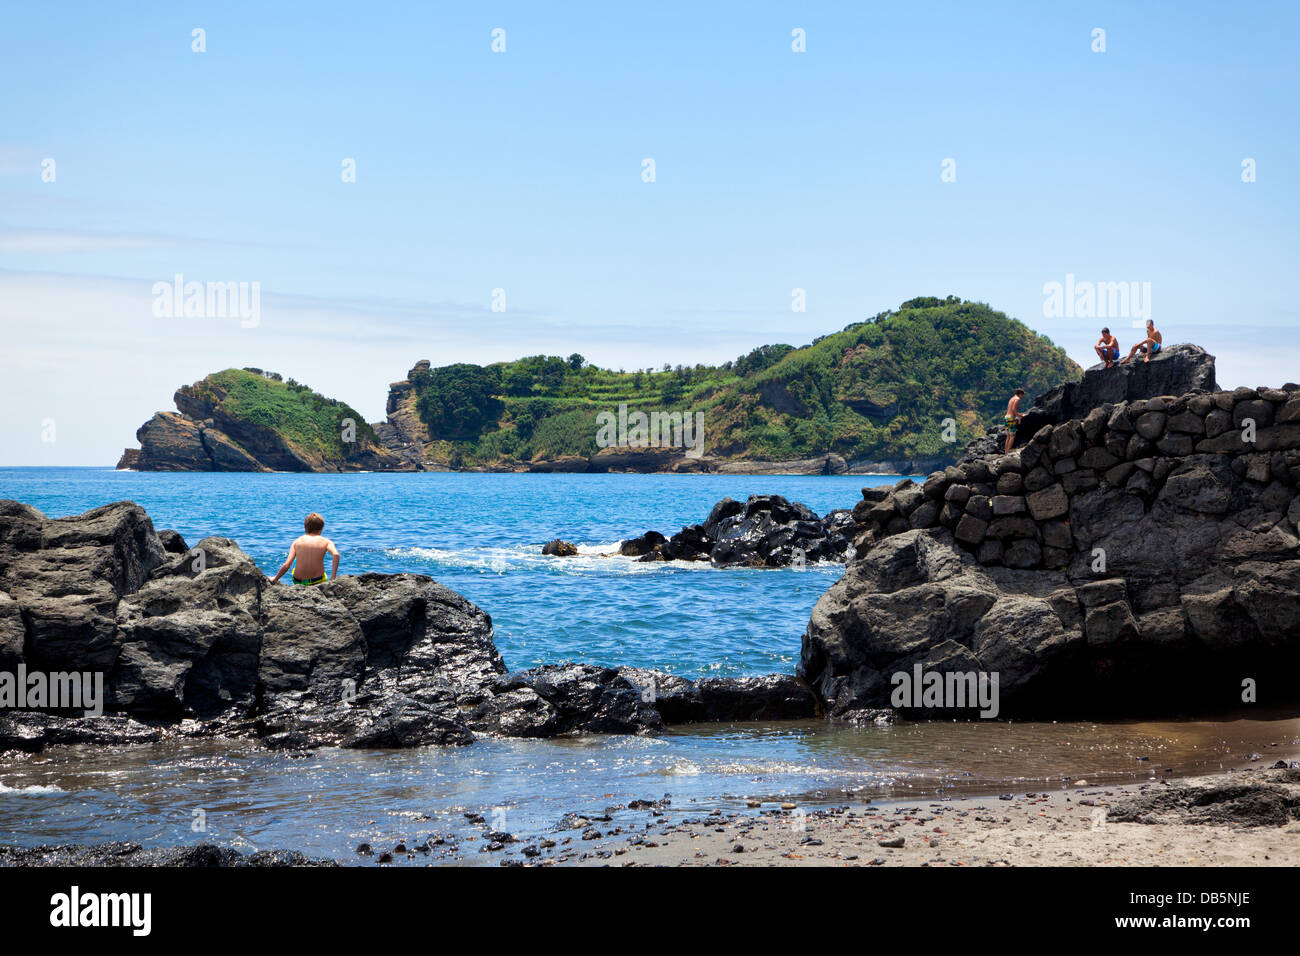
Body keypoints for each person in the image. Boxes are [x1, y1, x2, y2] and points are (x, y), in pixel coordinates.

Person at [270, 512, 340, 586]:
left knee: (297, 559)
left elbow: (287, 565)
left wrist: (275, 579)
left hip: (298, 582)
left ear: (305, 527)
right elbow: (336, 554)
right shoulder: (326, 541)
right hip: (318, 581)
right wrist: (333, 577)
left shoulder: (296, 542)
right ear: (321, 528)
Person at [1003, 388, 1024, 454]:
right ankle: (1008, 452)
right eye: (1022, 395)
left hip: (1007, 417)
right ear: (1020, 394)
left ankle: (1006, 452)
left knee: (1008, 436)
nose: (1022, 397)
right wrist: (1020, 416)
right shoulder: (1017, 399)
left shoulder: (1011, 399)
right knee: (1012, 436)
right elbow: (1014, 409)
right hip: (1011, 418)